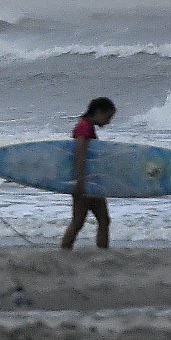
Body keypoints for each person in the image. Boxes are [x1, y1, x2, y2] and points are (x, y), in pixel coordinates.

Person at [61, 96, 117, 250]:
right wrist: (80, 181)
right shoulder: (84, 127)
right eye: (108, 117)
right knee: (79, 221)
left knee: (102, 220)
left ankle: (101, 252)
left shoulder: (87, 126)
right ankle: (64, 250)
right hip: (85, 183)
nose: (108, 121)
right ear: (98, 112)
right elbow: (80, 154)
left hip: (91, 183)